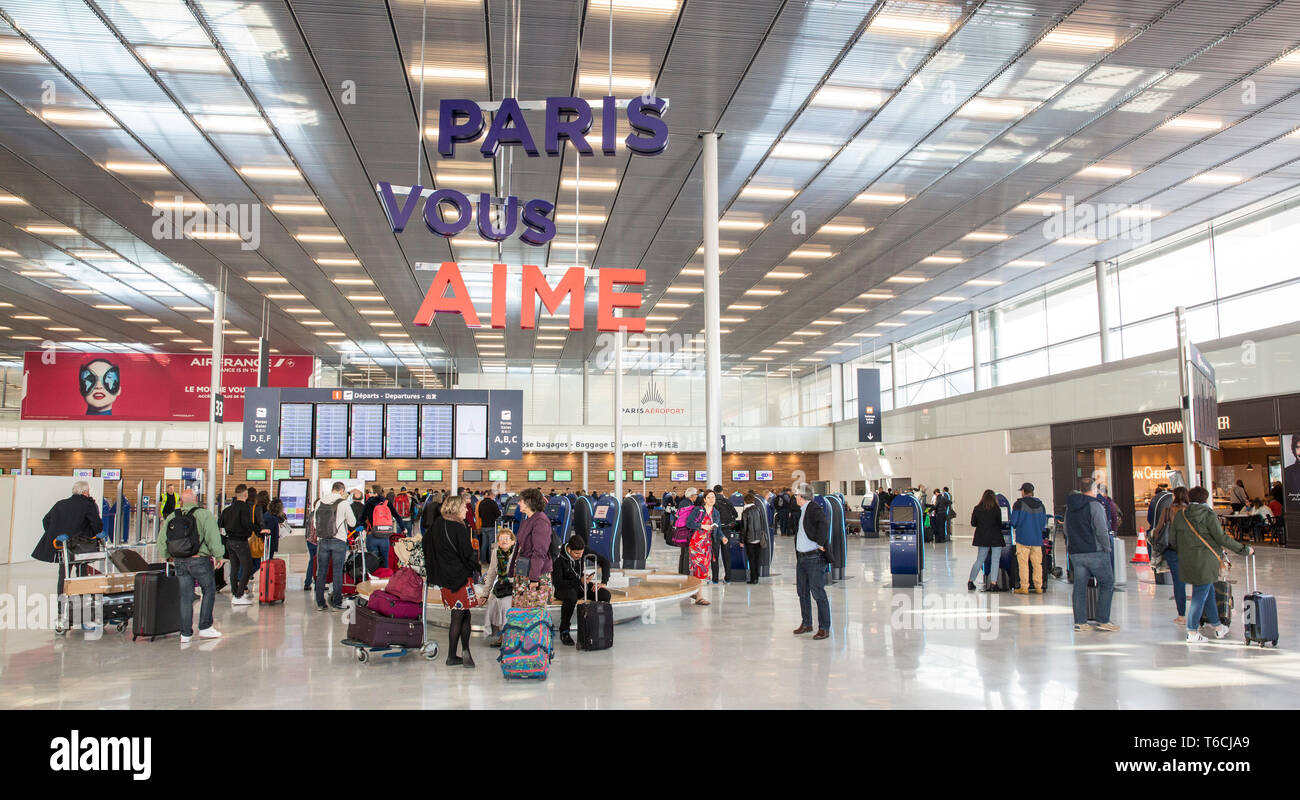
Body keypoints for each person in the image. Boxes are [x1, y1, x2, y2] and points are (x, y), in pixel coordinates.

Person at [1169, 486, 1252, 643]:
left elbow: (1173, 540)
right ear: (1205, 499)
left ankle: (1218, 626)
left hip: (1187, 561)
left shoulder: (1181, 515)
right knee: (1200, 595)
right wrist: (1244, 549)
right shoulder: (1208, 514)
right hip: (1206, 561)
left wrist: (1186, 551)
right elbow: (1221, 538)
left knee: (1207, 592)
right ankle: (1192, 631)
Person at [163, 488, 225, 642]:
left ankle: (185, 633)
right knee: (209, 590)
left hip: (179, 561)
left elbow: (161, 540)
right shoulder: (204, 514)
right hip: (199, 559)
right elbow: (213, 537)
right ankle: (205, 626)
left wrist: (167, 556)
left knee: (185, 596)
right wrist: (219, 555)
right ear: (196, 500)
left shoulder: (172, 516)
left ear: (181, 501)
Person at [426, 494, 479, 667]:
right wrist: (474, 563)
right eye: (464, 507)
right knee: (461, 616)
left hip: (445, 579)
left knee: (460, 614)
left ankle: (457, 654)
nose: (466, 510)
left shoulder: (437, 524)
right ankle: (461, 653)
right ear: (456, 508)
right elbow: (467, 553)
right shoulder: (458, 527)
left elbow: (427, 547)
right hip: (460, 578)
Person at [1064, 477, 1118, 632]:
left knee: (1079, 587)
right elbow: (1101, 530)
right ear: (1094, 489)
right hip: (1095, 552)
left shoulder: (1070, 507)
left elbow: (1067, 530)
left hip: (1076, 553)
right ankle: (1103, 620)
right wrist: (1107, 547)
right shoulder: (1095, 506)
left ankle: (1080, 622)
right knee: (1107, 583)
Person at [32, 480, 106, 594]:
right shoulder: (88, 504)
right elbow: (97, 524)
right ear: (85, 492)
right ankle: (81, 596)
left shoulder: (60, 504)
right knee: (82, 570)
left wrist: (55, 535)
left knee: (63, 573)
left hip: (64, 545)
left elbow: (46, 520)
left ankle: (61, 599)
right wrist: (94, 536)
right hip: (81, 545)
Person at [553, 534, 611, 646]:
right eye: (576, 553)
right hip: (564, 588)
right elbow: (558, 583)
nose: (580, 555)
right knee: (571, 596)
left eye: (581, 553)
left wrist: (603, 582)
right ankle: (564, 630)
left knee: (604, 595)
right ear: (569, 549)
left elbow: (605, 562)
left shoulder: (583, 551)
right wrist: (579, 581)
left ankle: (596, 626)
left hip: (581, 584)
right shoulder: (558, 559)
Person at [312, 482, 356, 612]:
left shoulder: (320, 502)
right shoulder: (343, 503)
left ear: (332, 490)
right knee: (337, 571)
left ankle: (320, 603)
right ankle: (336, 603)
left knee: (321, 572)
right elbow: (352, 522)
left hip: (323, 540)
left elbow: (315, 524)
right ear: (342, 491)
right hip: (339, 541)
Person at [793, 487, 830, 639]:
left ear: (801, 496)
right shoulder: (803, 510)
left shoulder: (814, 508)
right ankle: (807, 623)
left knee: (818, 593)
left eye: (796, 495)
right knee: (802, 591)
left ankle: (824, 628)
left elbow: (824, 525)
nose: (795, 497)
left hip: (813, 557)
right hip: (802, 558)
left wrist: (820, 543)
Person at [1150, 485, 1189, 623]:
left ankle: (1182, 615)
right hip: (1190, 550)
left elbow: (1157, 531)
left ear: (1174, 496)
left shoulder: (1167, 511)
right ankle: (1201, 613)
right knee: (1199, 582)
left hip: (1172, 551)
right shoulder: (1190, 511)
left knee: (1179, 583)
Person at [512, 488, 555, 610]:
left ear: (529, 502)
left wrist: (534, 577)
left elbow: (539, 551)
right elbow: (519, 547)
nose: (518, 503)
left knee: (534, 615)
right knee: (522, 613)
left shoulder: (540, 520)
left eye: (520, 500)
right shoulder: (527, 520)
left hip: (536, 575)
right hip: (524, 572)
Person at [219, 484, 256, 606]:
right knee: (247, 567)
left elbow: (220, 522)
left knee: (234, 568)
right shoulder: (245, 508)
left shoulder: (228, 509)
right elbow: (247, 524)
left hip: (230, 541)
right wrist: (258, 530)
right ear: (245, 494)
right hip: (241, 541)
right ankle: (239, 595)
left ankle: (235, 593)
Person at [1009, 483, 1047, 594]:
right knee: (1037, 564)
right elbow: (1043, 523)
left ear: (1023, 491)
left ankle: (1024, 587)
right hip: (1037, 539)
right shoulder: (1041, 505)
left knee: (1023, 564)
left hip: (1023, 539)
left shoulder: (1018, 504)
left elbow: (1014, 522)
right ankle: (1038, 587)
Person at [685, 489, 720, 605]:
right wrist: (702, 526)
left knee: (701, 569)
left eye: (713, 497)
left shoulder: (716, 512)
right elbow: (689, 523)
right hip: (696, 543)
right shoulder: (698, 510)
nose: (711, 500)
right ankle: (699, 597)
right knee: (700, 568)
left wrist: (723, 537)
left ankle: (695, 592)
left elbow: (717, 527)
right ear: (704, 499)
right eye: (709, 497)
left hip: (707, 544)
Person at [482, 528, 516, 647]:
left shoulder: (517, 553)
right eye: (501, 539)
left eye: (506, 539)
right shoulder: (495, 553)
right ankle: (501, 636)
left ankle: (507, 638)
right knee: (492, 602)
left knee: (505, 605)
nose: (503, 541)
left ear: (512, 541)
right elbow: (491, 573)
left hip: (513, 586)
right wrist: (485, 593)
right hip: (501, 585)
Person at [968, 489, 1005, 592]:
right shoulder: (997, 509)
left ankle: (971, 581)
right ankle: (993, 584)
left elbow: (973, 523)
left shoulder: (977, 508)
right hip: (995, 538)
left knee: (979, 560)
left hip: (982, 538)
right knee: (995, 560)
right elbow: (999, 523)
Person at [711, 484, 737, 583]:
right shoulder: (727, 501)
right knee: (726, 555)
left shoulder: (712, 502)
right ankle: (728, 578)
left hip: (715, 531)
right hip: (725, 530)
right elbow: (735, 514)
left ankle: (715, 579)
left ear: (714, 492)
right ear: (722, 491)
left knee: (715, 555)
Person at [740, 490, 767, 584]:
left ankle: (753, 578)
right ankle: (757, 576)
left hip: (750, 539)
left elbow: (744, 528)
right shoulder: (758, 509)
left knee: (751, 559)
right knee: (757, 558)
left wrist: (741, 540)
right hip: (759, 538)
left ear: (745, 501)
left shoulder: (745, 512)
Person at [674, 487, 698, 574]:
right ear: (692, 496)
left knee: (683, 552)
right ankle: (685, 572)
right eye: (696, 495)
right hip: (687, 531)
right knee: (687, 552)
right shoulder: (690, 506)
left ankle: (681, 571)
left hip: (681, 531)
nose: (697, 496)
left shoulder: (683, 502)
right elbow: (690, 521)